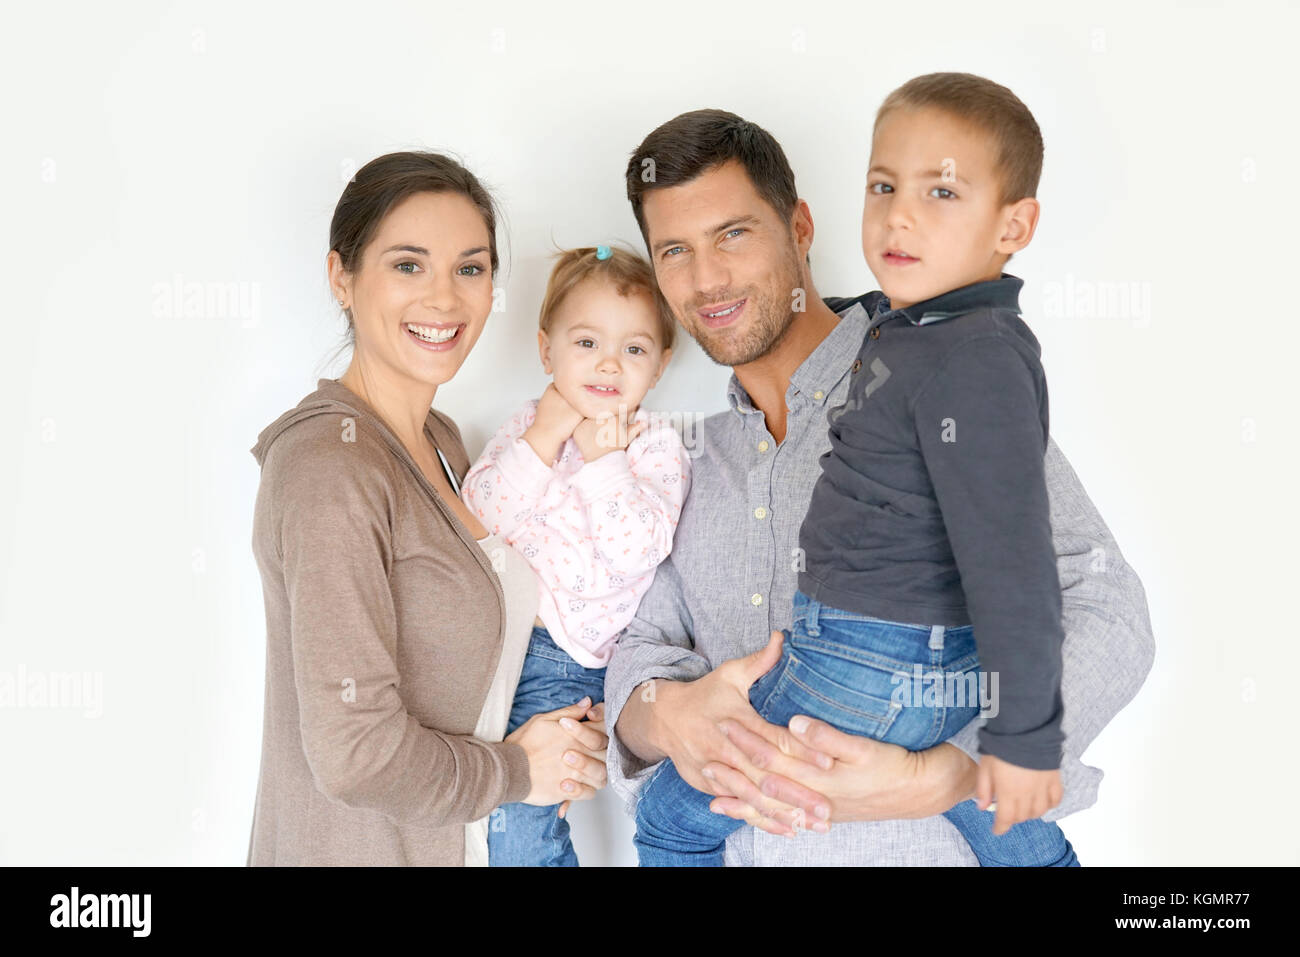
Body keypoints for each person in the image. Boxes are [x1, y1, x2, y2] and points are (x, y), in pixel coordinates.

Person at [605, 107, 1156, 866]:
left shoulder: (924, 376)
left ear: (799, 227)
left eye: (733, 233)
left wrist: (950, 772)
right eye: (675, 249)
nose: (707, 278)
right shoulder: (681, 460)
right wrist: (667, 714)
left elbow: (1107, 606)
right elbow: (638, 646)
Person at [246, 150, 608, 866]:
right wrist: (517, 771)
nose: (444, 299)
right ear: (341, 278)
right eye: (408, 265)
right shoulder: (332, 464)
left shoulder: (441, 443)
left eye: (470, 268)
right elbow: (356, 753)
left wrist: (564, 733)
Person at [459, 244, 690, 866]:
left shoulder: (652, 447)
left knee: (520, 820)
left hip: (567, 660)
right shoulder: (527, 427)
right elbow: (477, 517)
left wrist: (603, 459)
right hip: (497, 654)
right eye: (586, 343)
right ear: (546, 351)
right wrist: (543, 437)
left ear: (661, 365)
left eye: (634, 349)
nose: (609, 364)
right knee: (484, 813)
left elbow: (638, 550)